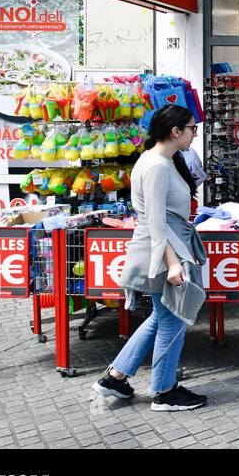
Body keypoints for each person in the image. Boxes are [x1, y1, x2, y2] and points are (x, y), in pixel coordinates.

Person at [92, 105, 210, 411]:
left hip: (163, 246)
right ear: (175, 131)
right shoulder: (157, 165)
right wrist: (172, 263)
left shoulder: (162, 160)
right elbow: (156, 222)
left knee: (162, 317)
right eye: (191, 128)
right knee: (173, 320)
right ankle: (165, 391)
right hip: (163, 249)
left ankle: (115, 377)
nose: (194, 134)